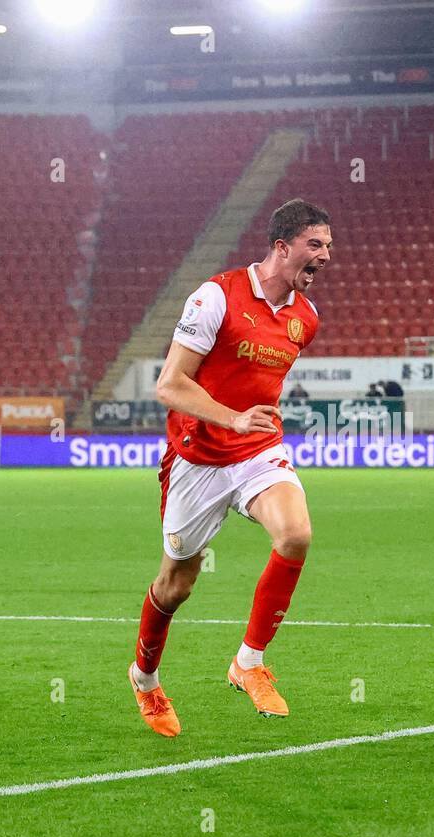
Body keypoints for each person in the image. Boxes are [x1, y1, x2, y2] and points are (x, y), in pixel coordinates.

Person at [127, 198, 331, 737]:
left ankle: (248, 662)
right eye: (316, 245)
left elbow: (260, 386)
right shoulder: (215, 296)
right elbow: (169, 385)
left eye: (329, 247)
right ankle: (145, 679)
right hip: (197, 456)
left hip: (257, 449)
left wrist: (249, 425)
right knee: (177, 584)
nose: (326, 256)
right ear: (282, 247)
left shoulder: (305, 319)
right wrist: (231, 418)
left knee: (296, 534)